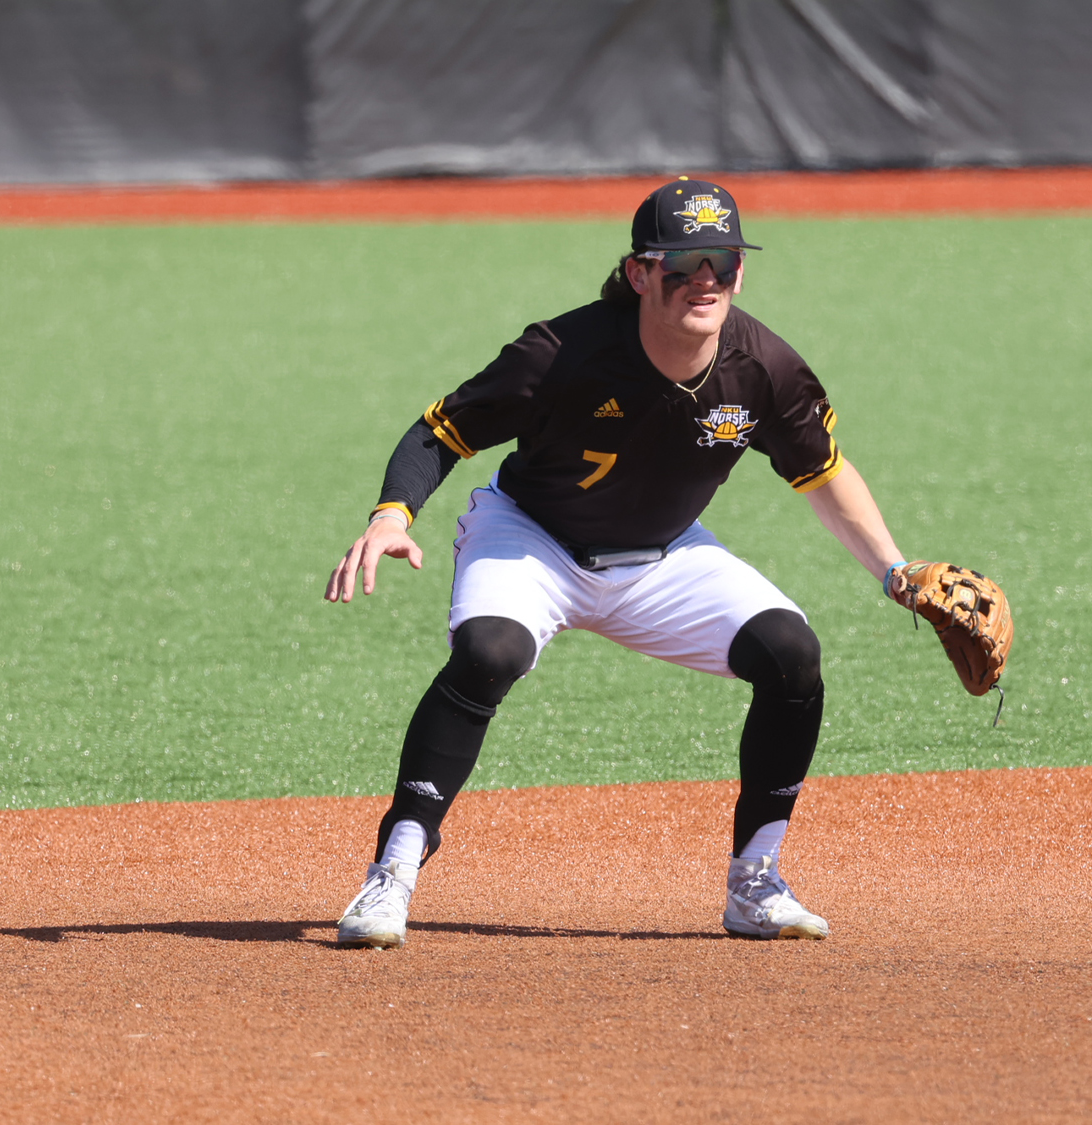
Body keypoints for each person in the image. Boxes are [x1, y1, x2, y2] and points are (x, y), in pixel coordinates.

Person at [324, 178, 911, 947]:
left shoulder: (764, 368)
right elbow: (441, 431)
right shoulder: (561, 353)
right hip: (533, 538)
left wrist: (896, 572)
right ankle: (392, 871)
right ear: (639, 272)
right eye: (684, 260)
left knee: (793, 654)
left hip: (666, 556)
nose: (705, 278)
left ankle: (755, 881)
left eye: (723, 261)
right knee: (488, 651)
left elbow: (823, 472)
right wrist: (391, 515)